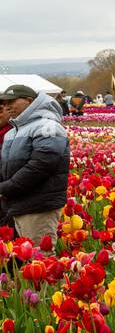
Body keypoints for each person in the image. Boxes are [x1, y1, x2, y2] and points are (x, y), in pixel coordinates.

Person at [0, 83, 70, 243]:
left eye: (12, 102)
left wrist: (7, 188)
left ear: (29, 101)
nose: (7, 106)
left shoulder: (48, 126)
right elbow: (6, 166)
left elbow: (42, 164)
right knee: (24, 260)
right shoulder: (13, 131)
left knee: (40, 258)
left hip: (39, 204)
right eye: (4, 103)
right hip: (16, 204)